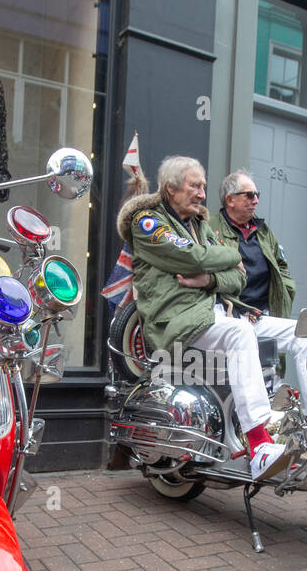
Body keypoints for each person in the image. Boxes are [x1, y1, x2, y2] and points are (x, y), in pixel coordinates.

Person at [118, 156, 292, 480]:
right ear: (170, 189)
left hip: (214, 311)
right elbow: (191, 256)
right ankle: (259, 446)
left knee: (305, 332)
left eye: (203, 187)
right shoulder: (148, 223)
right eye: (194, 186)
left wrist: (207, 279)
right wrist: (232, 255)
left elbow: (237, 279)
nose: (201, 194)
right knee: (240, 333)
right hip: (174, 320)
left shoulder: (199, 225)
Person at [208, 170, 307, 428]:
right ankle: (256, 431)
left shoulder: (263, 230)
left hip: (258, 315)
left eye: (257, 195)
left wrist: (285, 288)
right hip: (225, 314)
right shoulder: (211, 227)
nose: (255, 200)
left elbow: (281, 265)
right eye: (249, 195)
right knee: (242, 336)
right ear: (230, 199)